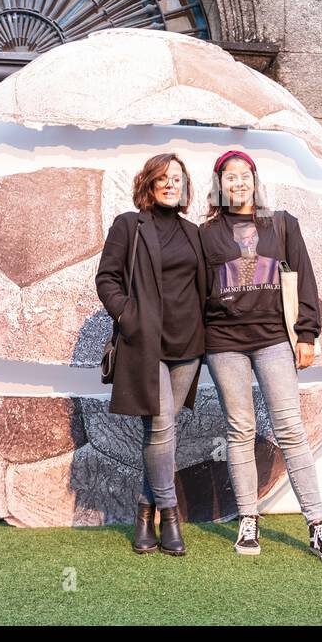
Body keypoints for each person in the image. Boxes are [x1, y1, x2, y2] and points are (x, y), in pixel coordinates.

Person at [200, 149, 322, 564]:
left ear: (254, 180)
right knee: (240, 428)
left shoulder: (281, 224)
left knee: (290, 428)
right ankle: (249, 519)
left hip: (273, 339)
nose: (238, 182)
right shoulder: (205, 233)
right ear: (219, 185)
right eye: (229, 177)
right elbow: (194, 292)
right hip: (224, 342)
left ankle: (318, 525)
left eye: (244, 175)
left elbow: (304, 278)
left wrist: (307, 333)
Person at [95, 153, 206, 556]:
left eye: (177, 178)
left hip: (188, 345)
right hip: (146, 344)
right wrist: (126, 314)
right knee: (161, 427)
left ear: (185, 186)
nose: (171, 184)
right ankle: (170, 517)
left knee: (161, 432)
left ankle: (144, 512)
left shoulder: (194, 232)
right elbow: (107, 277)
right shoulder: (130, 225)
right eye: (163, 177)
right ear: (149, 184)